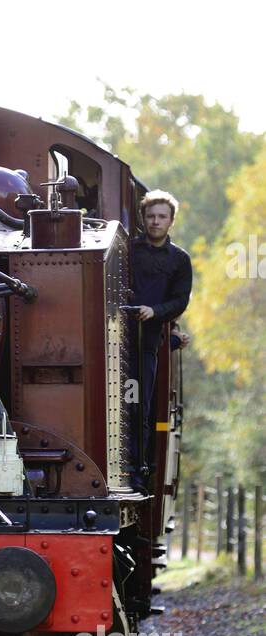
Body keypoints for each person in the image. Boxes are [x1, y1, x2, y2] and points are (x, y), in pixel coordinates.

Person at [131, 190, 192, 470]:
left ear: (171, 221)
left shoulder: (179, 260)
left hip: (150, 341)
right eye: (151, 216)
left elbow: (180, 300)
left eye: (161, 217)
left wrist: (155, 312)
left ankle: (137, 468)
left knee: (141, 403)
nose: (155, 221)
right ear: (143, 219)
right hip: (120, 336)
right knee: (125, 402)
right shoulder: (128, 251)